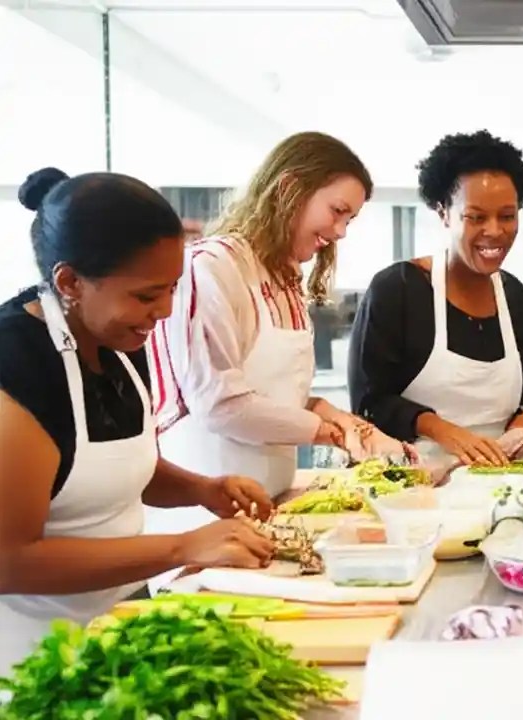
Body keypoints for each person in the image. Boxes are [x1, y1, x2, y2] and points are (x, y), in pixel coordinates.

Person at [0, 168, 274, 675]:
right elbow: (8, 561)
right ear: (69, 282)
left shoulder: (117, 342)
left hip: (125, 630)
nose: (164, 311)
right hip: (35, 665)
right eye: (147, 296)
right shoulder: (15, 366)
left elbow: (110, 467)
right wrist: (182, 546)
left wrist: (202, 489)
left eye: (171, 289)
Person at [146, 133, 406, 588]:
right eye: (337, 211)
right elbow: (220, 404)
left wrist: (353, 428)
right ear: (289, 189)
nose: (341, 231)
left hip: (266, 513)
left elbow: (284, 400)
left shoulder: (284, 277)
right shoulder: (212, 268)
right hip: (203, 529)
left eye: (351, 219)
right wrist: (332, 433)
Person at [349, 130, 523, 467]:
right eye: (476, 217)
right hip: (412, 485)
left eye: (508, 216)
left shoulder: (518, 301)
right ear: (444, 213)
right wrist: (443, 431)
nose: (495, 231)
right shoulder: (398, 290)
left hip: (497, 486)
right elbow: (369, 403)